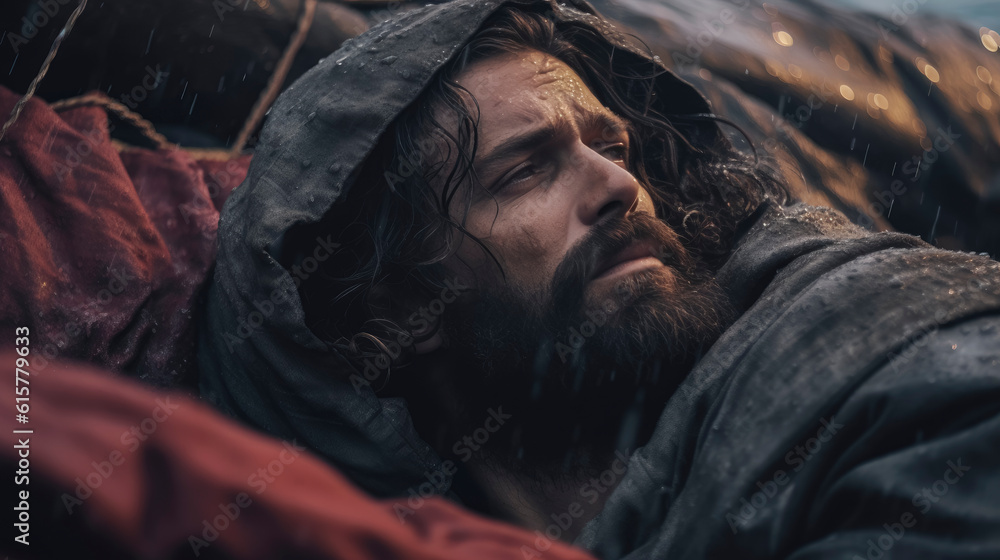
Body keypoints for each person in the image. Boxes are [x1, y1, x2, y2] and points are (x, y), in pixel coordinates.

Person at [197, 0, 1000, 557]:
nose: (622, 187)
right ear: (402, 301)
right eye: (524, 173)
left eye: (612, 148)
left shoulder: (849, 332)